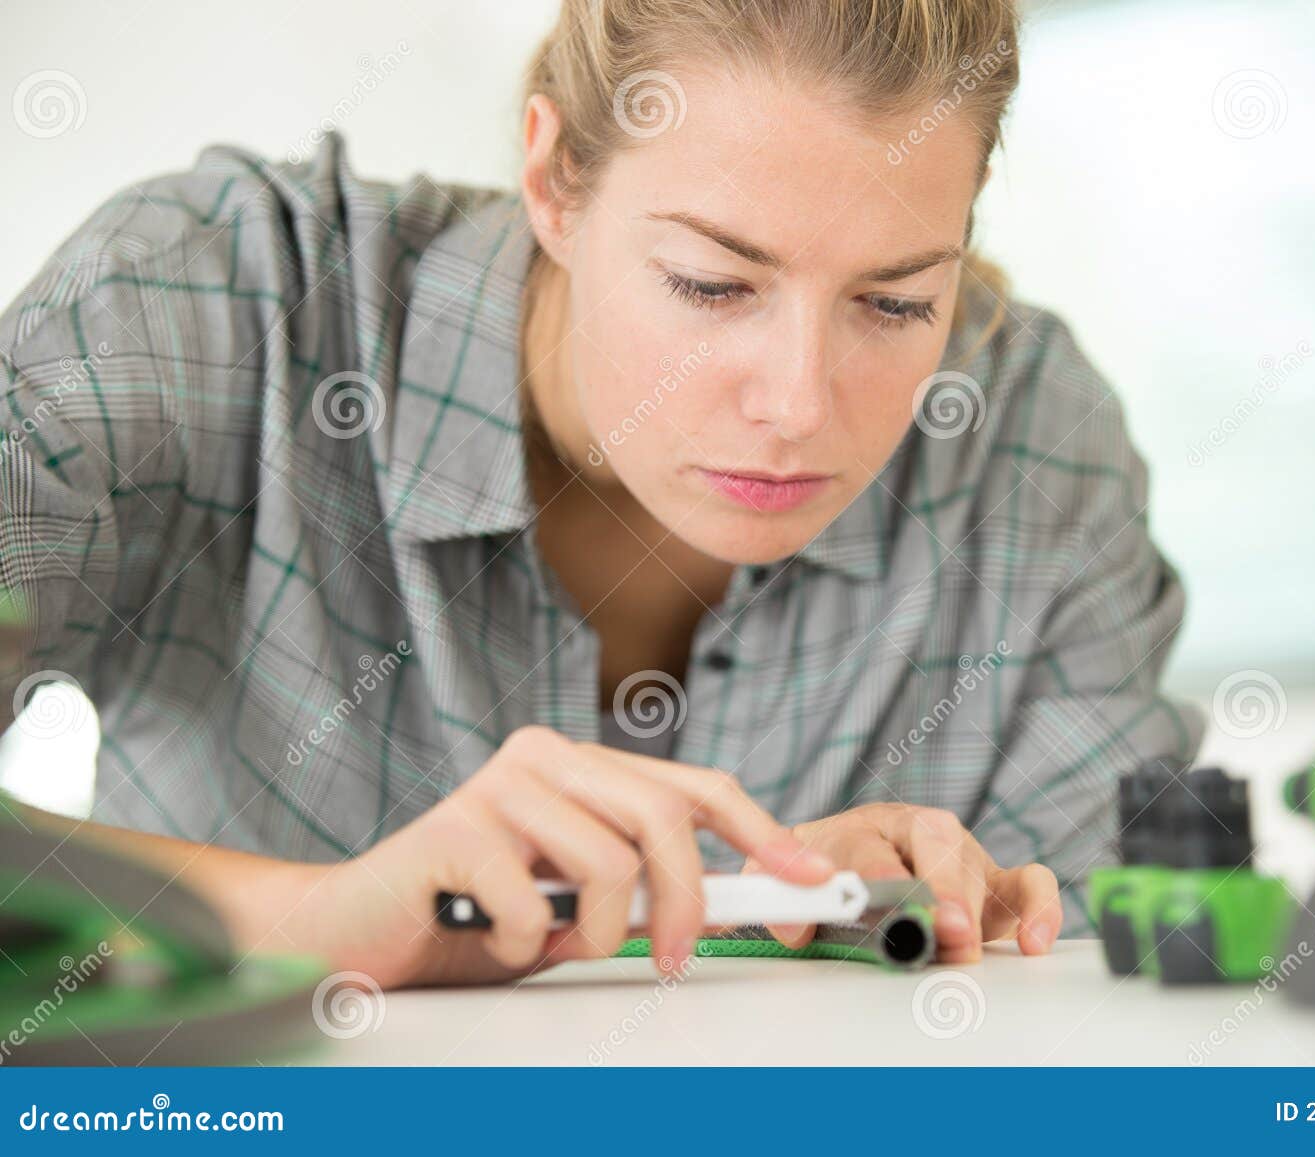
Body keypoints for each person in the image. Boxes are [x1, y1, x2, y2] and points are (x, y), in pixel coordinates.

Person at [0, 0, 1200, 989]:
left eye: (893, 303)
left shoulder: (1034, 445)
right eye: (711, 283)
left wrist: (777, 911)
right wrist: (329, 915)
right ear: (556, 179)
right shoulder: (204, 310)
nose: (796, 403)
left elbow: (1104, 1007)